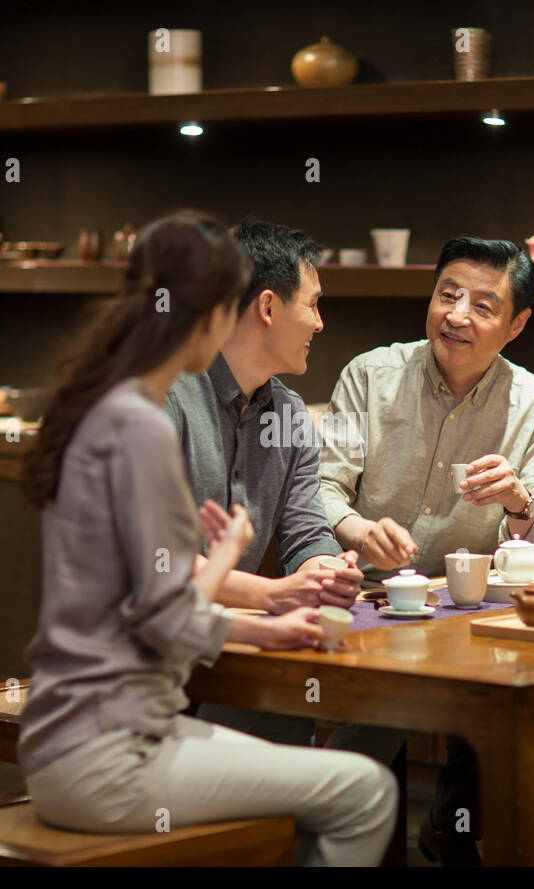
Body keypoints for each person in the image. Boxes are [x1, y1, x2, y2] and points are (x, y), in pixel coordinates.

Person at [17, 211, 396, 866]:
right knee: (366, 791)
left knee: (320, 777)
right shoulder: (142, 423)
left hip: (96, 735)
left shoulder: (112, 408)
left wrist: (261, 610)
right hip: (110, 751)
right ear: (224, 313)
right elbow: (162, 613)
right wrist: (247, 585)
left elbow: (154, 597)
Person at [319, 236, 534, 865]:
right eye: (447, 295)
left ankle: (451, 832)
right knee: (358, 749)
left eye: (483, 306)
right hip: (374, 604)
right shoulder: (370, 376)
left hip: (471, 615)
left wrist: (520, 503)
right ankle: (339, 838)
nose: (457, 315)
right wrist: (355, 529)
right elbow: (320, 486)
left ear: (516, 325)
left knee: (507, 713)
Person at [166, 219, 391, 752]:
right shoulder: (166, 397)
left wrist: (324, 569)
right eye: (312, 304)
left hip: (229, 654)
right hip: (149, 661)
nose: (320, 322)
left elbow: (306, 527)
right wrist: (273, 595)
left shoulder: (289, 413)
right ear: (267, 307)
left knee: (300, 727)